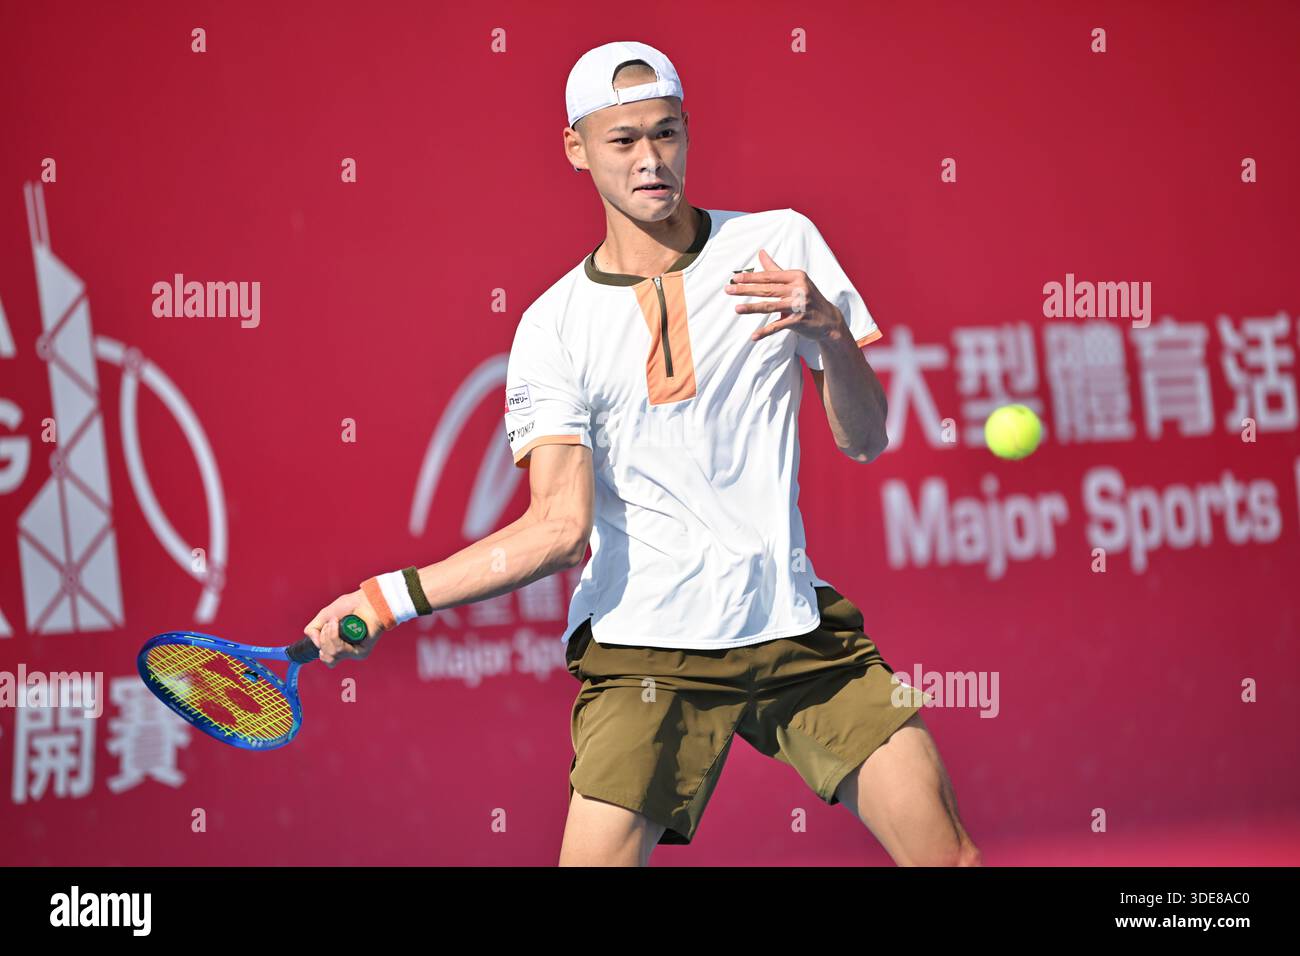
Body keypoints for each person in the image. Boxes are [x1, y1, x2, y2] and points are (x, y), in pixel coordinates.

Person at [303, 40, 981, 868]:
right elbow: (557, 528)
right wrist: (387, 600)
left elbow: (866, 440)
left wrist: (833, 334)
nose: (651, 160)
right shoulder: (554, 326)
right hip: (645, 651)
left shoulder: (779, 246)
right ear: (576, 150)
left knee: (947, 859)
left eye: (667, 134)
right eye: (623, 141)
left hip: (793, 625)